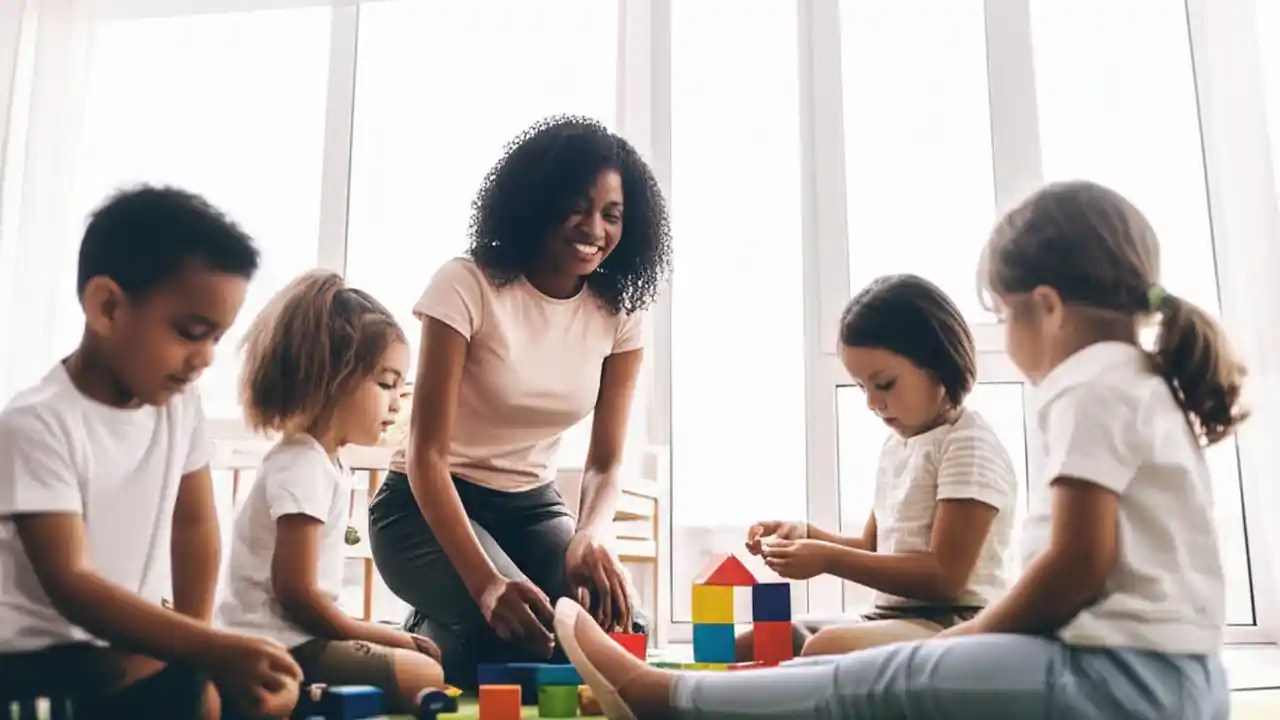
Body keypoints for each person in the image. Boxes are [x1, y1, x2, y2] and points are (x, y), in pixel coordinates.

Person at [553, 180, 1239, 719]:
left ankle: (665, 700)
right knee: (831, 665)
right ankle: (666, 688)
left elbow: (1074, 564)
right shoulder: (1133, 378)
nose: (875, 402)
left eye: (1004, 317)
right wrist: (817, 541)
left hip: (1123, 683)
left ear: (1049, 307)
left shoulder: (1086, 383)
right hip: (1170, 678)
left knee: (875, 676)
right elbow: (891, 549)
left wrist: (966, 641)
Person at [368, 115, 673, 686]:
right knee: (510, 645)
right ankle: (431, 626)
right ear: (536, 202)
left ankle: (447, 620)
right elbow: (425, 455)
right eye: (577, 207)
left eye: (612, 215)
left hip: (530, 508)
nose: (594, 228)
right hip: (424, 506)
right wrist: (485, 586)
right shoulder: (466, 284)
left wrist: (589, 535)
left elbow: (606, 461)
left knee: (616, 634)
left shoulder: (620, 314)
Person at [0, 186, 302, 719]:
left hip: (120, 648)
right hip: (31, 659)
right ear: (107, 306)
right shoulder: (37, 424)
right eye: (191, 333)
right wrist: (207, 650)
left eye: (216, 339)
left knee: (235, 694)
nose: (204, 359)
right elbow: (71, 583)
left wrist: (202, 646)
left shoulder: (178, 407)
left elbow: (194, 527)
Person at [744, 274, 1018, 658]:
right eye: (862, 387)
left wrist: (827, 559)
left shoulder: (968, 444)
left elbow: (945, 578)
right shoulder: (898, 446)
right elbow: (872, 548)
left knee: (824, 646)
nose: (872, 402)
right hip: (891, 618)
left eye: (885, 384)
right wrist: (806, 535)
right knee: (760, 638)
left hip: (954, 623)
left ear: (938, 363)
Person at [216, 271, 445, 714]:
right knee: (425, 672)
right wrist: (381, 634)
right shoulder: (303, 466)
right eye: (385, 384)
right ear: (331, 377)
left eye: (401, 388)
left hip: (297, 637)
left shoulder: (321, 461)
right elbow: (297, 595)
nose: (397, 404)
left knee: (420, 665)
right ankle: (293, 695)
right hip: (279, 645)